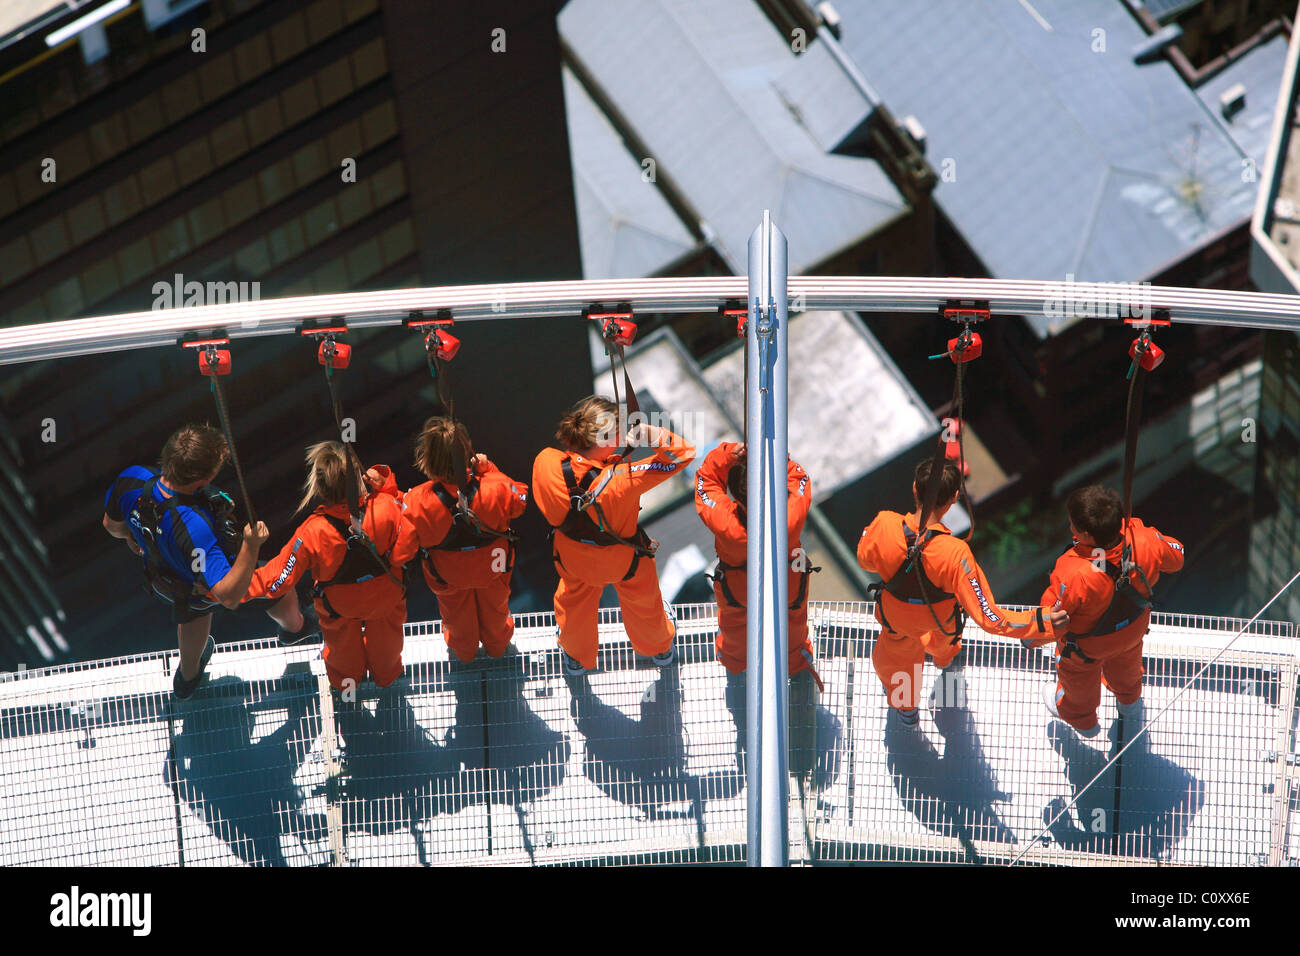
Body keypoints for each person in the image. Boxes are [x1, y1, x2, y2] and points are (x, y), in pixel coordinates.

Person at [103, 424, 311, 700]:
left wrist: (135, 537)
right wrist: (250, 545)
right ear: (202, 479)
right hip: (204, 588)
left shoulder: (133, 479)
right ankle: (295, 629)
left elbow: (111, 524)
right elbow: (228, 595)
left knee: (192, 613)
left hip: (165, 580)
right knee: (278, 583)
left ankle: (187, 679)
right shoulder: (194, 527)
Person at [857, 458, 1067, 728]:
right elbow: (991, 618)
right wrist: (1042, 621)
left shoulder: (885, 523)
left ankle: (907, 710)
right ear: (955, 497)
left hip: (896, 621)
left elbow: (865, 559)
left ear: (914, 488)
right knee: (945, 643)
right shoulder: (956, 555)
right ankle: (945, 662)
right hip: (940, 621)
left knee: (899, 664)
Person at [532, 397, 694, 675]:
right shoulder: (623, 479)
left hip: (573, 560)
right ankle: (659, 649)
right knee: (644, 603)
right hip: (622, 563)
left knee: (574, 608)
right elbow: (683, 454)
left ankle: (576, 657)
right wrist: (651, 433)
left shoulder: (544, 462)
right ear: (607, 438)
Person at [245, 441, 419, 695]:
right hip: (386, 601)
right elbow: (413, 510)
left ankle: (346, 687)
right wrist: (385, 483)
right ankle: (387, 678)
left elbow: (277, 579)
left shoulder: (313, 531)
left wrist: (221, 589)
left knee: (343, 658)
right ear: (359, 476)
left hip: (340, 609)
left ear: (320, 488)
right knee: (387, 650)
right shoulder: (386, 507)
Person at [695, 440, 821, 770]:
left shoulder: (725, 521)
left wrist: (730, 454)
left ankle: (740, 683)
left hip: (741, 594)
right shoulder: (790, 516)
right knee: (791, 637)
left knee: (737, 641)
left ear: (735, 494)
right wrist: (779, 460)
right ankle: (798, 678)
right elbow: (801, 477)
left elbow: (705, 480)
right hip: (784, 589)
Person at [1032, 485, 1184, 738]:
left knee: (1078, 683)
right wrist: (1141, 533)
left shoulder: (1072, 572)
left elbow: (1052, 617)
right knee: (1127, 670)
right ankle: (1129, 703)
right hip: (1132, 633)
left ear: (1087, 535)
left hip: (1087, 650)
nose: (1070, 529)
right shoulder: (1143, 539)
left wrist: (1030, 639)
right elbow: (1177, 557)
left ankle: (1084, 723)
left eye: (1073, 525)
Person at [384, 416, 528, 664]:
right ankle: (497, 648)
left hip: (449, 577)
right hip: (492, 569)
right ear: (467, 450)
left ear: (427, 458)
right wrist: (490, 471)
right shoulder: (497, 485)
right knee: (496, 612)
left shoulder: (416, 501)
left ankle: (464, 653)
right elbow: (520, 502)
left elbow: (401, 554)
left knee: (458, 621)